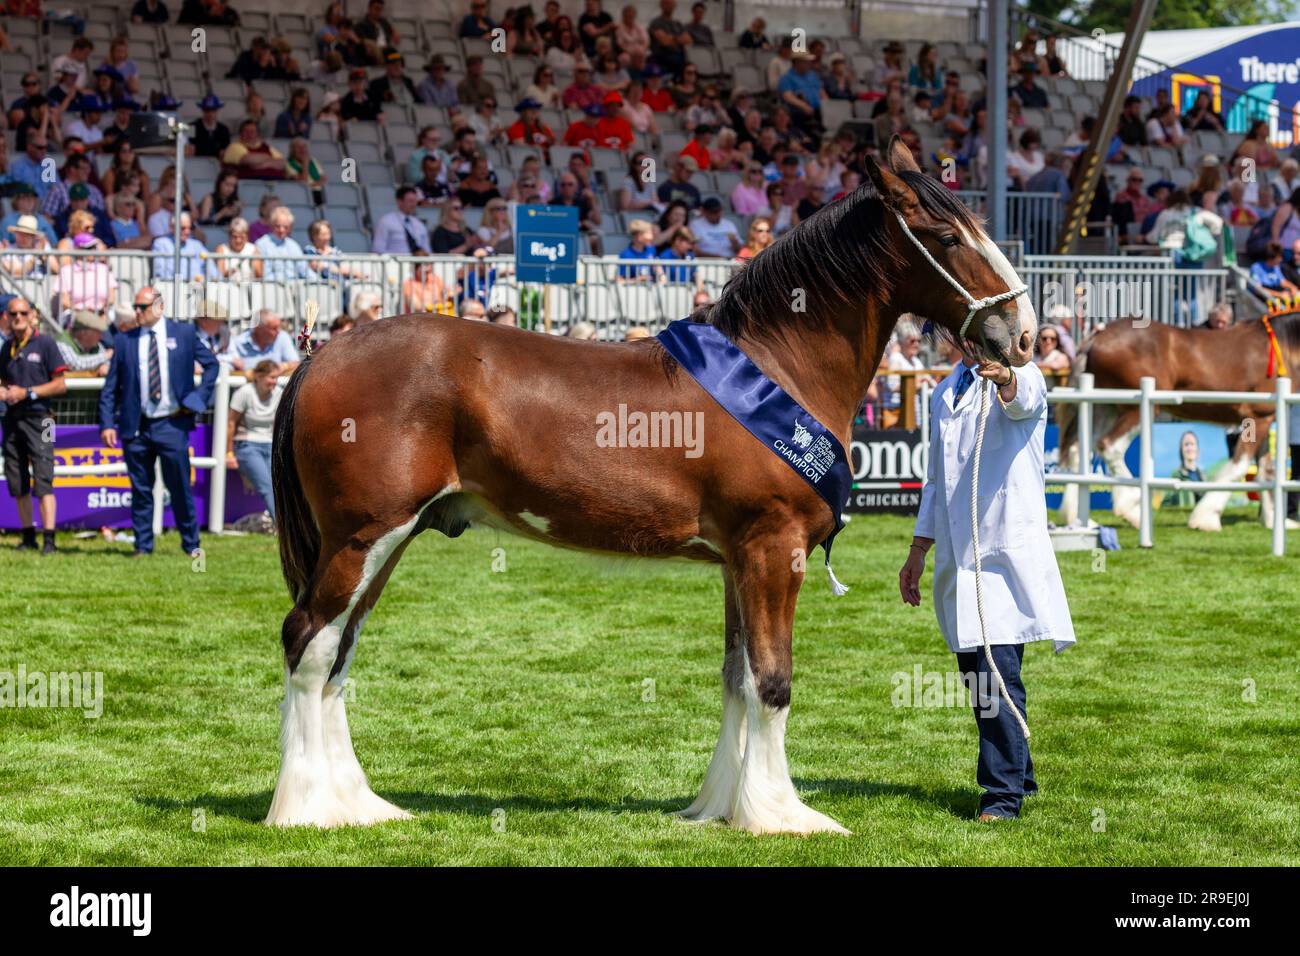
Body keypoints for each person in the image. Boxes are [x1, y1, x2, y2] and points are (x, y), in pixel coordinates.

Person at [899, 343, 1075, 822]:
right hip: (961, 559)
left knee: (996, 676)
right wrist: (918, 549)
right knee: (978, 676)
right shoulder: (942, 392)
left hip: (1003, 556)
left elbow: (1026, 401)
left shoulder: (1026, 374)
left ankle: (1001, 796)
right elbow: (936, 480)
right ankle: (1024, 777)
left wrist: (1004, 379)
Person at [97, 286, 218, 557]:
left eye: (143, 307)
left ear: (159, 307)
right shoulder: (124, 340)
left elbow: (212, 365)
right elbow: (110, 387)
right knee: (141, 488)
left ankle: (191, 545)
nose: (137, 312)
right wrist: (106, 423)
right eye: (136, 307)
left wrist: (197, 400)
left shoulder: (183, 333)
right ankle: (143, 546)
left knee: (179, 487)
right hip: (136, 425)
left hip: (171, 423)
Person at [1, 297, 68, 554]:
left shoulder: (46, 343)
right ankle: (28, 535)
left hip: (43, 418)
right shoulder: (7, 347)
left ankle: (49, 539)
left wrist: (27, 392)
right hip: (13, 418)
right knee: (17, 480)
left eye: (22, 313)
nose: (17, 317)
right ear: (7, 316)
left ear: (31, 315)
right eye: (13, 313)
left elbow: (61, 384)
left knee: (44, 477)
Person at [226, 358, 282, 520]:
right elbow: (231, 423)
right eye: (271, 377)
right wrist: (229, 453)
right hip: (247, 445)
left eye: (276, 378)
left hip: (271, 446)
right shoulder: (244, 393)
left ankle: (284, 526)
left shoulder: (279, 393)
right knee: (267, 486)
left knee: (278, 486)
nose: (274, 382)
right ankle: (281, 526)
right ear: (258, 376)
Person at [227, 310, 300, 372]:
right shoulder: (239, 343)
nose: (278, 332)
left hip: (278, 387)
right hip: (247, 387)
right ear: (259, 329)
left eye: (279, 327)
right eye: (274, 328)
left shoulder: (282, 337)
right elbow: (227, 367)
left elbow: (296, 363)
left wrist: (283, 366)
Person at [254, 207, 309, 282]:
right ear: (272, 225)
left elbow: (304, 269)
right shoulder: (261, 244)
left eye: (285, 227)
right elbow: (263, 274)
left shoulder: (294, 245)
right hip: (271, 287)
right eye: (278, 226)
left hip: (293, 288)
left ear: (290, 228)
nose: (281, 230)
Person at [373, 186, 432, 255]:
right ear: (399, 202)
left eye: (415, 201)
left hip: (418, 263)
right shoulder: (386, 221)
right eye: (410, 201)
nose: (414, 204)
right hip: (394, 263)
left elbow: (427, 249)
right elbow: (378, 249)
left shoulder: (419, 224)